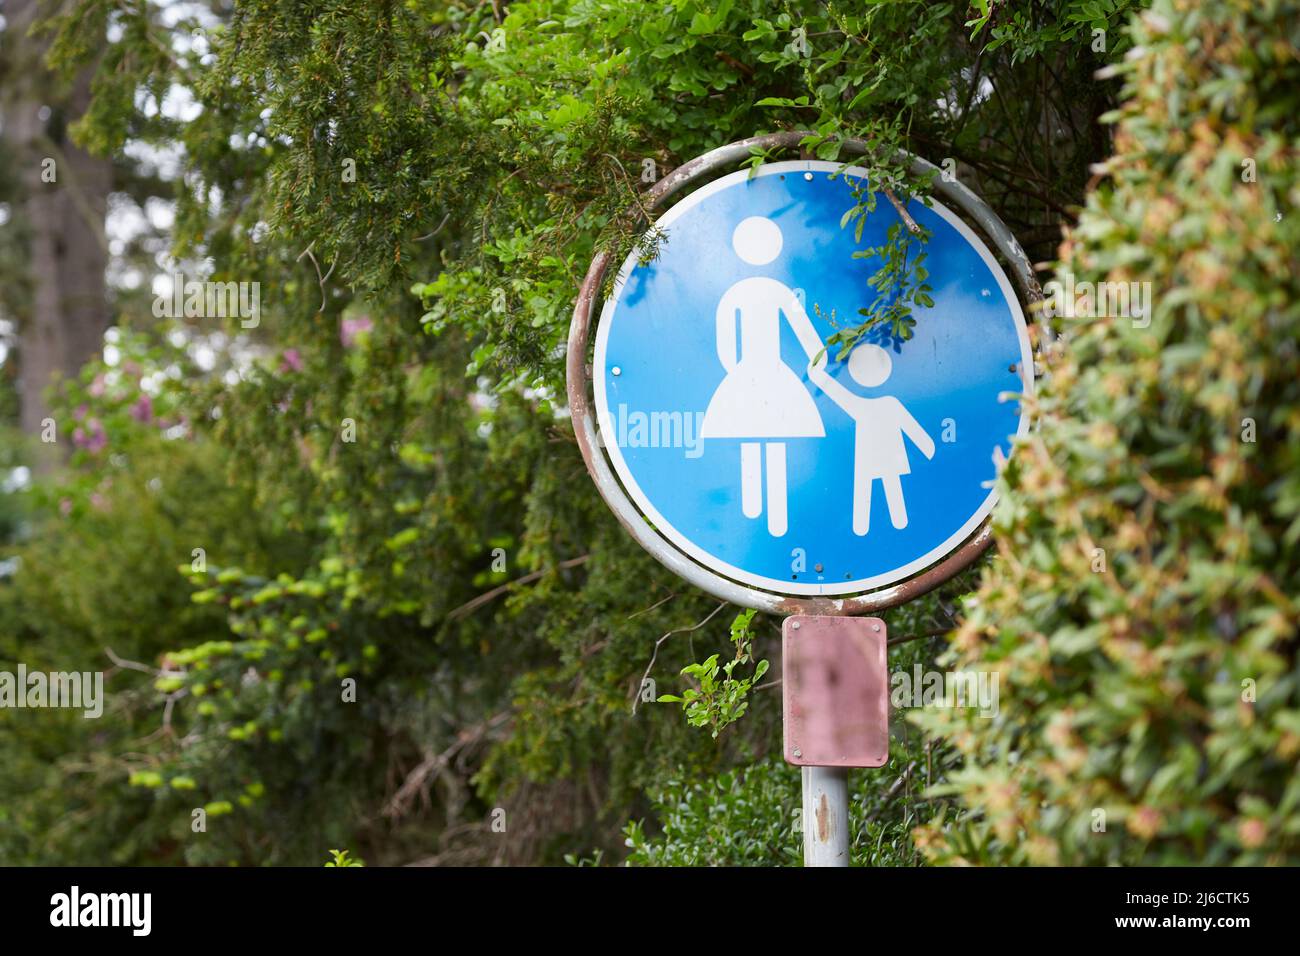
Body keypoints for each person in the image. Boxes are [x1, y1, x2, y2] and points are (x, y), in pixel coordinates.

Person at [700, 216, 825, 537]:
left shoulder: (746, 293)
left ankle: (764, 513)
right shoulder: (773, 291)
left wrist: (738, 373)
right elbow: (805, 333)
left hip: (754, 372)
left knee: (762, 435)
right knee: (766, 435)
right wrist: (816, 358)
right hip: (763, 372)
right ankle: (762, 513)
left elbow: (726, 346)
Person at [806, 342, 935, 534]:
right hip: (882, 458)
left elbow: (839, 393)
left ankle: (869, 529)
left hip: (880, 458)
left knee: (874, 493)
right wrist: (927, 447)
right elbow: (913, 429)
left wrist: (817, 374)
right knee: (881, 491)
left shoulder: (865, 405)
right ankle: (879, 528)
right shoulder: (885, 404)